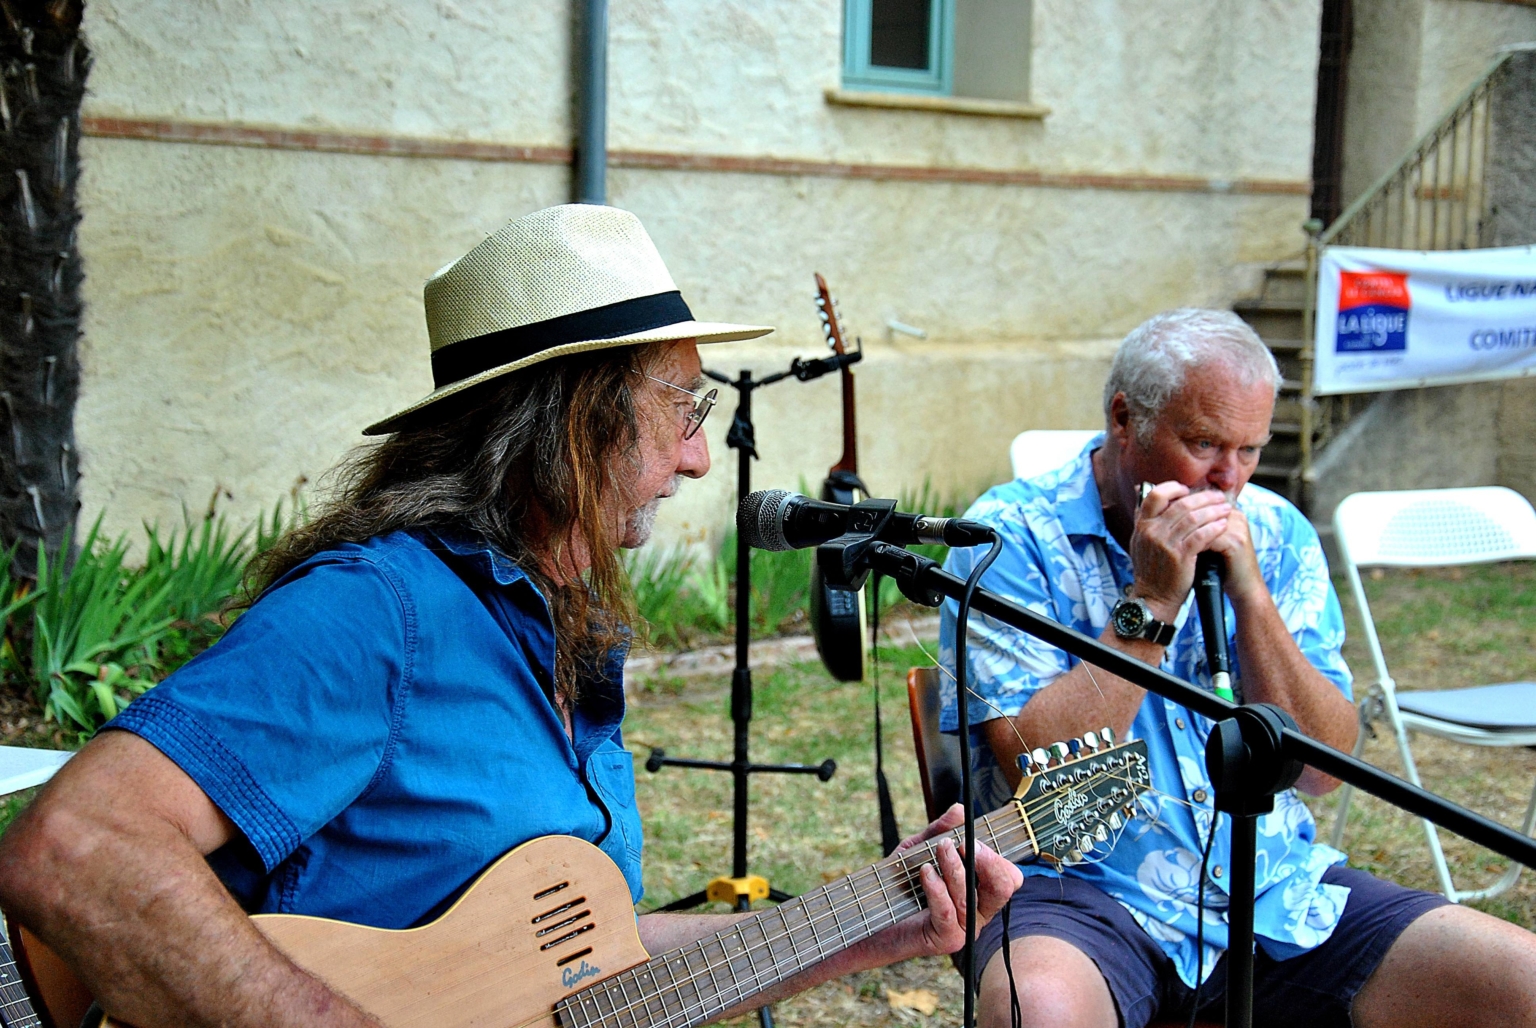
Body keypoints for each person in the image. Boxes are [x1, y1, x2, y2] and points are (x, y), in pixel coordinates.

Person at [0, 204, 1022, 1027]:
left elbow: (594, 974)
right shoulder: (380, 611)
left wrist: (867, 922)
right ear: (575, 416)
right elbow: (78, 842)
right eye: (682, 405)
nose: (700, 455)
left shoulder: (558, 630)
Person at [939, 308, 1536, 1028]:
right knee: (1035, 1012)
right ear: (1124, 420)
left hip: (1272, 887)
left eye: (1250, 450)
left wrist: (1252, 597)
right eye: (1204, 444)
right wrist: (1151, 603)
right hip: (1078, 890)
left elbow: (1321, 769)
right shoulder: (1005, 539)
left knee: (1520, 979)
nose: (1229, 481)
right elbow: (1036, 772)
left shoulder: (1277, 531)